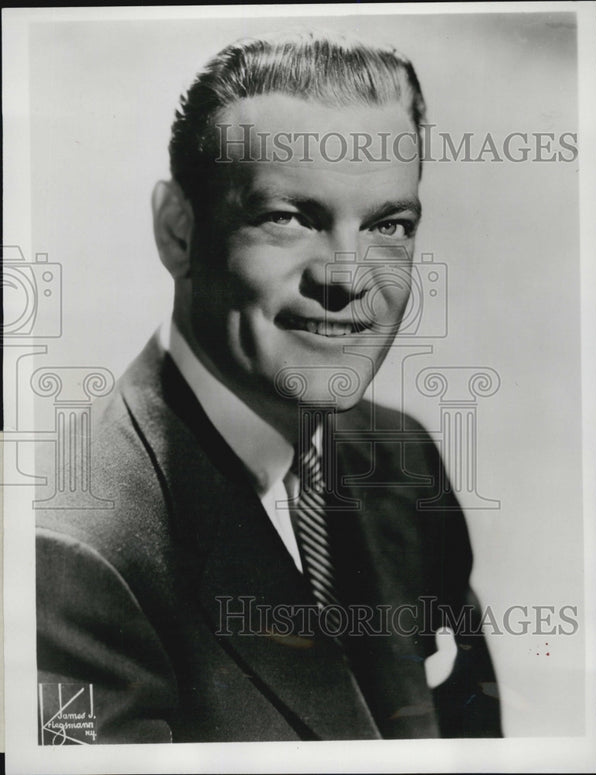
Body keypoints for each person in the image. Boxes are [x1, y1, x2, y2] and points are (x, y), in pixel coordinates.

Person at [36, 31, 502, 743]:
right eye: (289, 218)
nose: (348, 277)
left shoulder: (402, 460)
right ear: (178, 231)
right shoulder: (74, 557)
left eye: (388, 225)